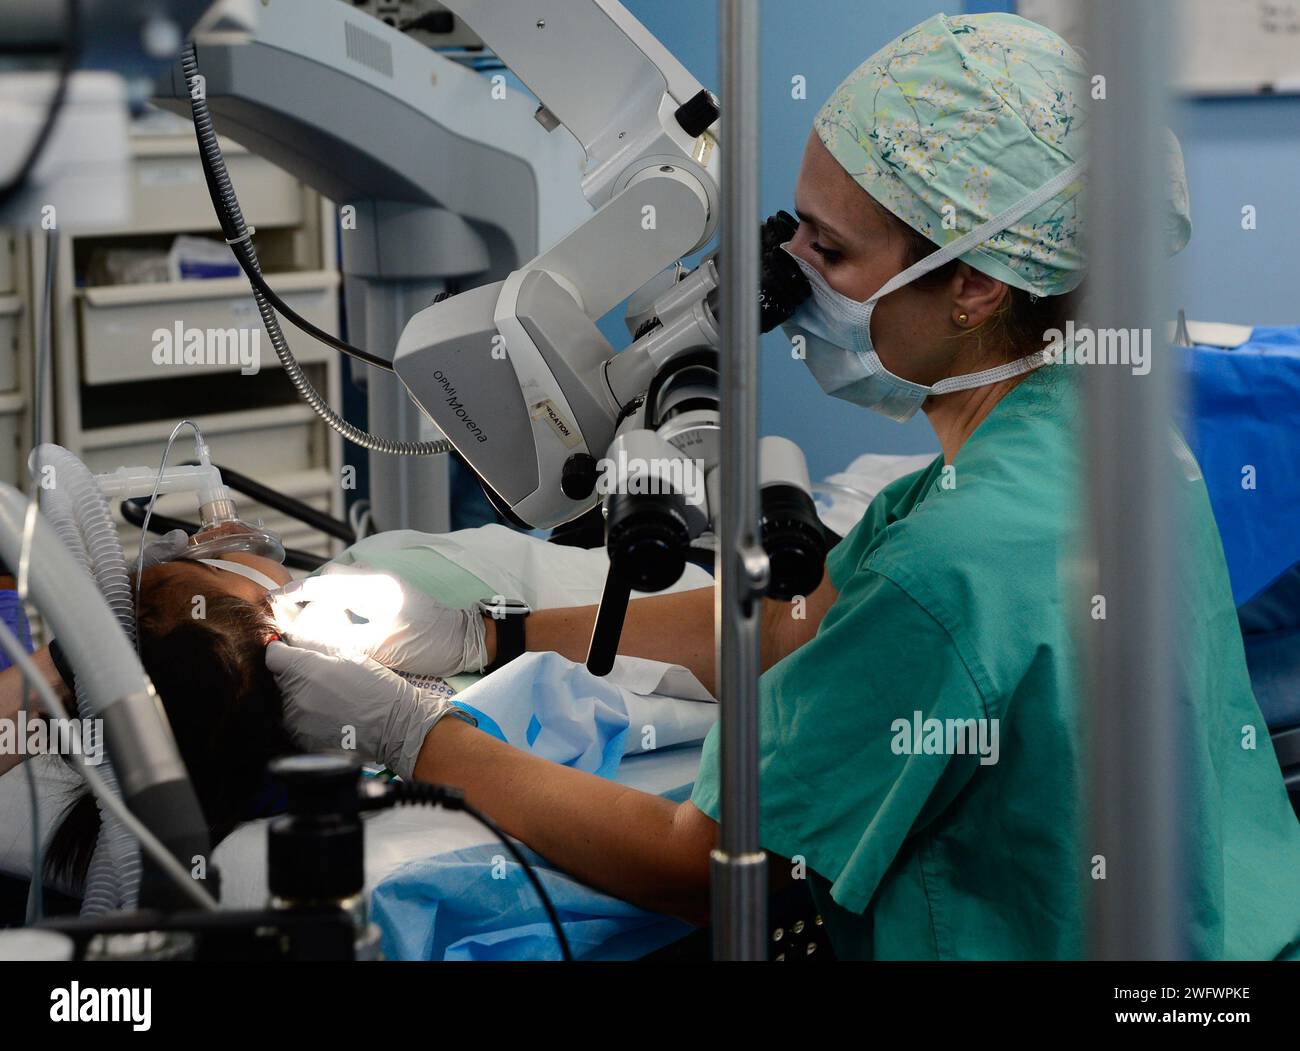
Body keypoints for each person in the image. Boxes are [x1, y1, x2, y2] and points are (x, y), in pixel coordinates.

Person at [266, 12, 1300, 960]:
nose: (791, 268)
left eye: (832, 249)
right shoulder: (1097, 442)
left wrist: (416, 735)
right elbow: (808, 618)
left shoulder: (960, 557)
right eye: (793, 227)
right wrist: (490, 636)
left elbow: (699, 866)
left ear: (977, 285)